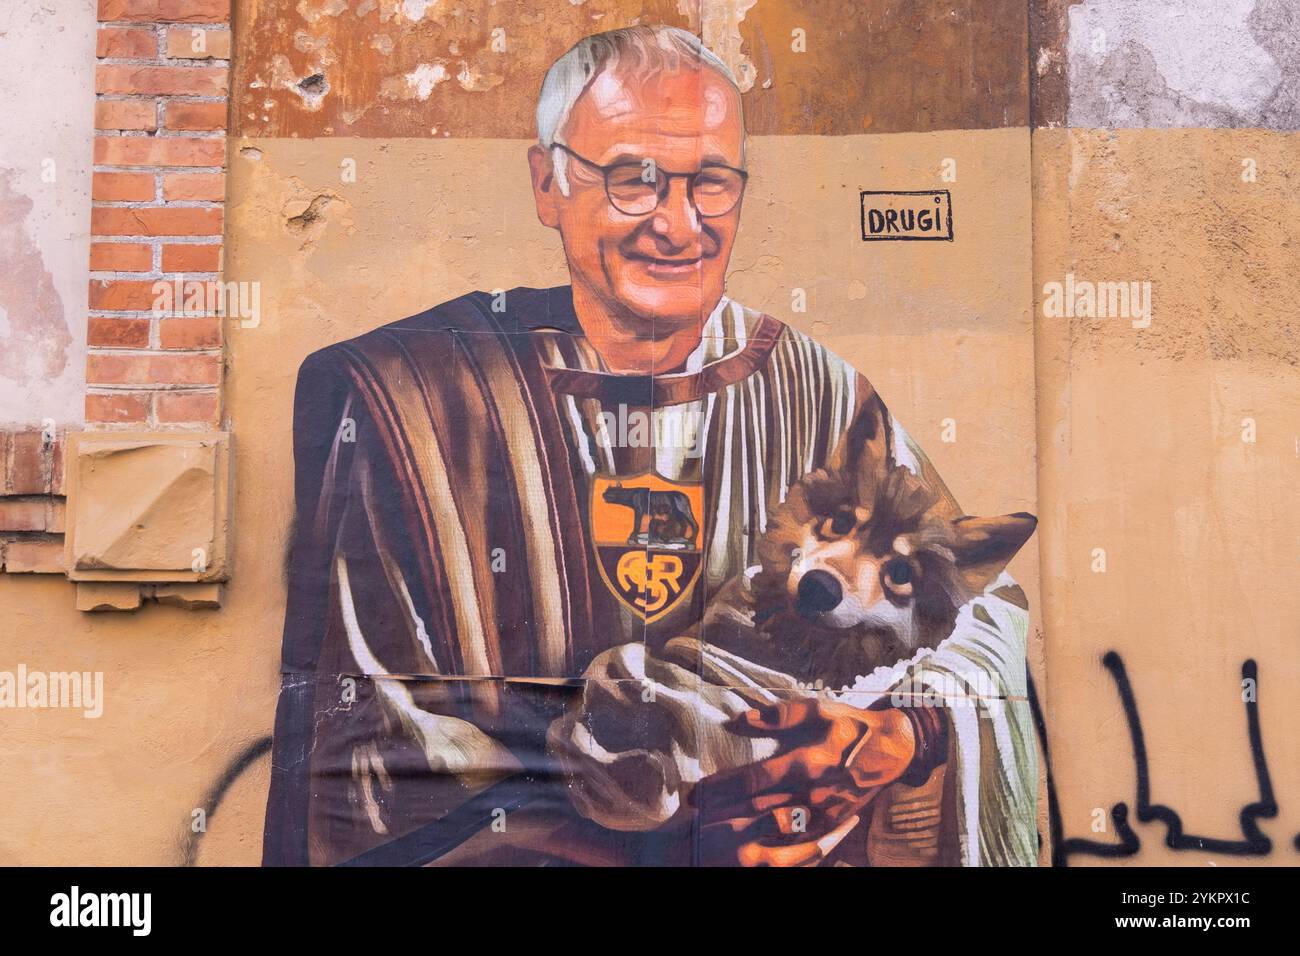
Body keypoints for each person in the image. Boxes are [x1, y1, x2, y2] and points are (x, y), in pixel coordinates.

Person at [262, 24, 1037, 867]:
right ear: (547, 184)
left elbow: (966, 611)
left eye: (712, 182)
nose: (679, 223)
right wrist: (669, 822)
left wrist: (893, 738)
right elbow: (368, 757)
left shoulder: (822, 396)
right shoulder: (408, 401)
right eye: (634, 179)